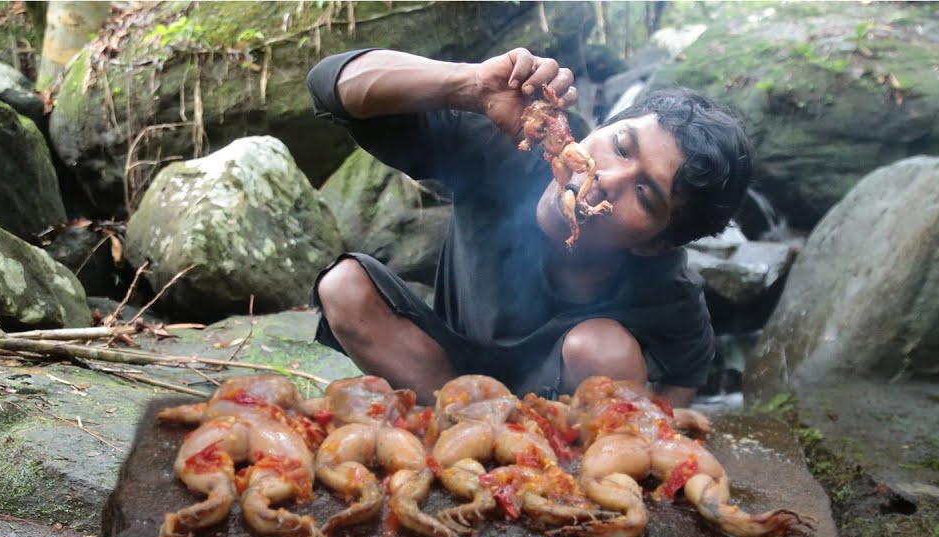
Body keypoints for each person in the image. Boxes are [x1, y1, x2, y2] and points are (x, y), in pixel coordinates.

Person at [306, 47, 751, 407]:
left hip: (552, 411)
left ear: (656, 244)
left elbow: (686, 375)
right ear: (601, 128)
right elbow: (331, 84)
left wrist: (657, 436)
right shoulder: (509, 147)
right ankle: (462, 428)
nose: (606, 179)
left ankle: (558, 467)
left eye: (645, 194)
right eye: (620, 145)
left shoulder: (667, 289)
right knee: (344, 285)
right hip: (441, 376)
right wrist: (471, 85)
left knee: (602, 350)